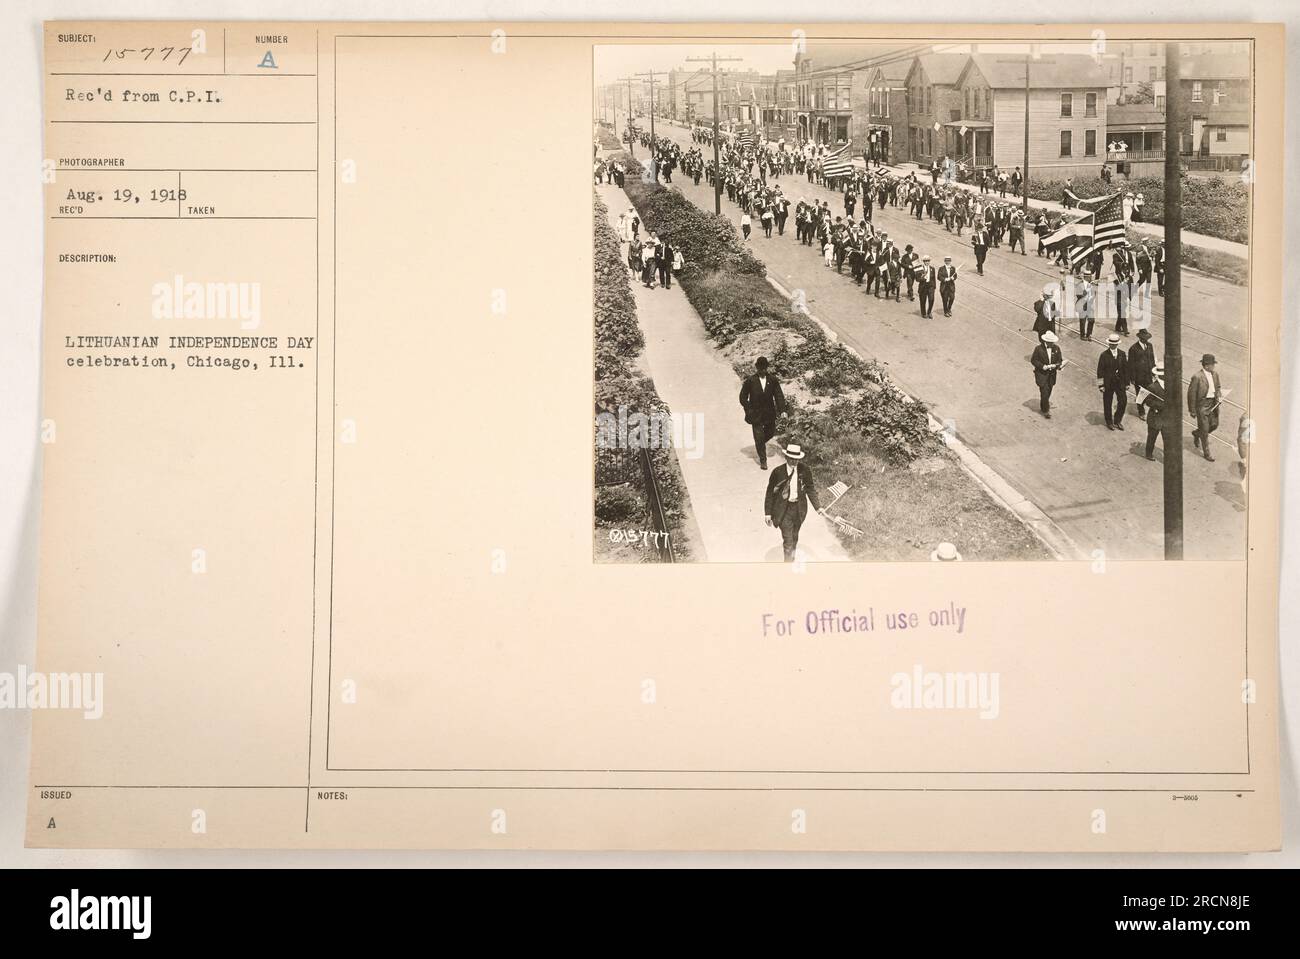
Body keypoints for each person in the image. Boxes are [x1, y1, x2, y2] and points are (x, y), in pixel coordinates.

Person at [764, 443, 824, 562]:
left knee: (795, 537)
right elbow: (770, 493)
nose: (794, 462)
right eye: (791, 458)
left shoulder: (805, 470)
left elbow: (810, 488)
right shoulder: (777, 472)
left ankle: (791, 558)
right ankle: (788, 565)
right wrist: (768, 513)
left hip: (799, 509)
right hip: (783, 510)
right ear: (786, 457)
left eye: (796, 459)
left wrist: (818, 507)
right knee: (788, 540)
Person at [739, 356, 786, 470]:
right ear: (757, 368)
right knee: (759, 436)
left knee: (770, 433)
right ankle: (763, 460)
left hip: (769, 413)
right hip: (756, 414)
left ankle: (759, 443)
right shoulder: (750, 381)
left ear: (767, 368)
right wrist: (749, 408)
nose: (762, 371)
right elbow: (742, 397)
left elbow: (779, 395)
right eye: (760, 368)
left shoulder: (773, 380)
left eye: (764, 368)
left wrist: (783, 410)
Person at [1188, 353, 1222, 461]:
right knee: (1205, 429)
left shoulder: (1215, 374)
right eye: (1212, 365)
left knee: (1214, 425)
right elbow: (1191, 394)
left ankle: (1197, 433)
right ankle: (1207, 453)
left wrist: (1220, 396)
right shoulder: (1197, 377)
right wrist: (1192, 410)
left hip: (1213, 404)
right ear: (1206, 365)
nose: (1213, 367)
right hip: (1202, 406)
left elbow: (1218, 387)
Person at [1096, 333, 1130, 430]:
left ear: (1117, 344)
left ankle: (1117, 420)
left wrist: (1127, 383)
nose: (1113, 345)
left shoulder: (1122, 354)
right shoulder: (1104, 355)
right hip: (1108, 383)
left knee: (1123, 401)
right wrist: (1101, 385)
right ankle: (1109, 422)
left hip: (1120, 383)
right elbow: (1100, 371)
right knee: (1107, 402)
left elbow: (1126, 369)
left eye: (1115, 344)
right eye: (1111, 344)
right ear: (1109, 344)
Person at [1141, 362, 1173, 461]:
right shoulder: (1152, 387)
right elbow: (1148, 401)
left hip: (1167, 418)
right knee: (1152, 437)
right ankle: (1148, 453)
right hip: (1155, 417)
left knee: (1167, 439)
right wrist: (1162, 405)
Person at [1031, 330, 1063, 419]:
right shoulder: (1038, 349)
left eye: (1053, 342)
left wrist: (1057, 366)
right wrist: (1042, 366)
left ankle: (1043, 405)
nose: (1052, 344)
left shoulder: (1057, 348)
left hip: (1052, 375)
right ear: (1046, 342)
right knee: (1044, 392)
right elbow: (1033, 360)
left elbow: (1059, 360)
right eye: (1050, 342)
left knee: (1048, 392)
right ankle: (1046, 410)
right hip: (1042, 374)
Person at [1128, 328, 1156, 420]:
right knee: (1140, 394)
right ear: (1140, 338)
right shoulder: (1133, 348)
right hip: (1138, 376)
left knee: (1148, 392)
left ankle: (1144, 404)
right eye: (1144, 338)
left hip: (1148, 375)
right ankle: (1141, 412)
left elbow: (1151, 359)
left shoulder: (1149, 346)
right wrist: (1132, 378)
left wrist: (1154, 371)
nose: (1145, 340)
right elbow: (1131, 364)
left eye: (1146, 338)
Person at [917, 254, 937, 319]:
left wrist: (934, 287)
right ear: (923, 261)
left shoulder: (932, 269)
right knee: (923, 300)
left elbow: (933, 278)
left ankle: (929, 312)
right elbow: (917, 279)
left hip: (930, 286)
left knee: (931, 299)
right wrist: (922, 277)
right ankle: (923, 313)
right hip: (923, 286)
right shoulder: (920, 269)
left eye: (928, 260)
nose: (927, 262)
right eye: (925, 261)